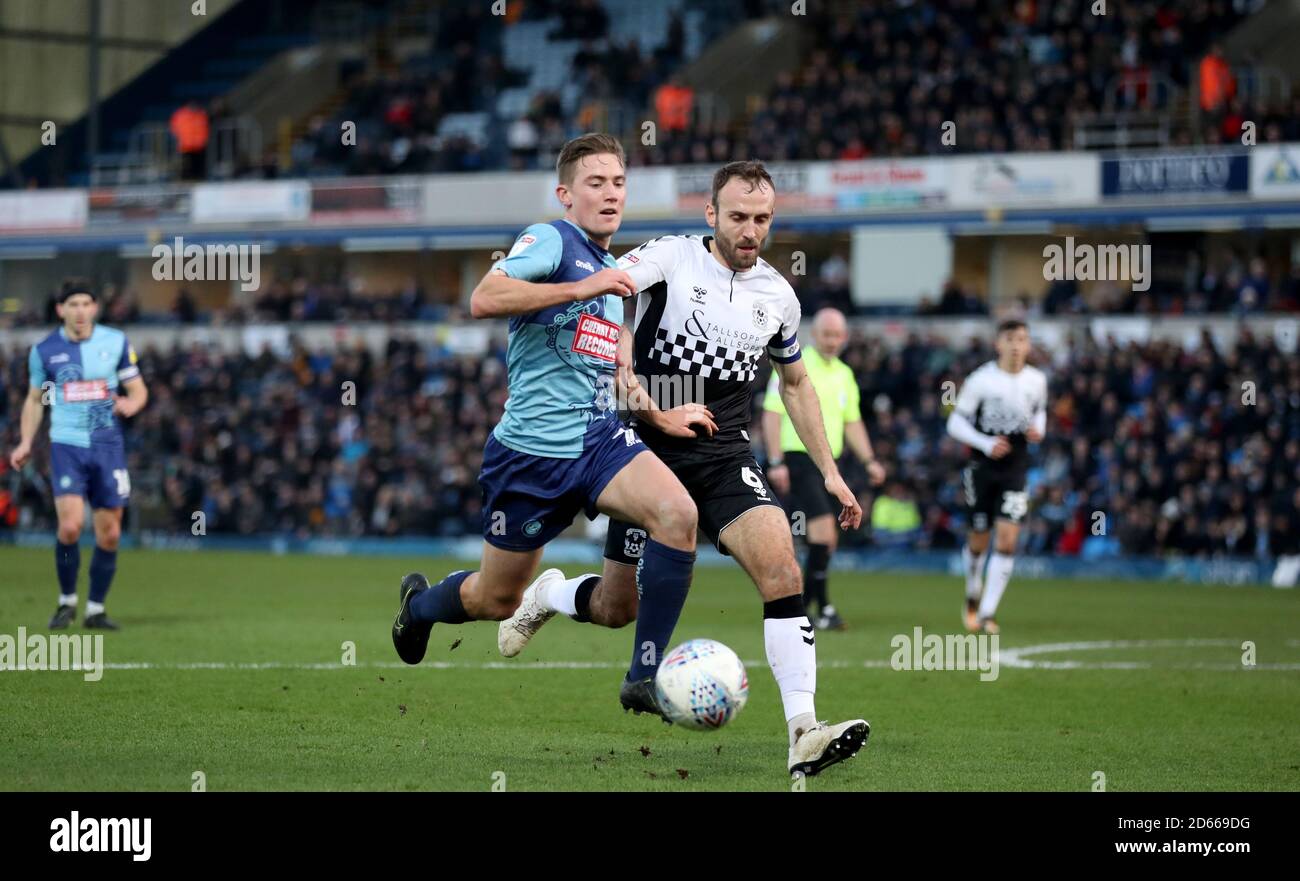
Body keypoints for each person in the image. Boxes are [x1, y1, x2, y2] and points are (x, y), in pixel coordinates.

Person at [498, 161, 871, 778]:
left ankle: (804, 730)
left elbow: (797, 383)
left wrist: (830, 473)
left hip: (724, 453)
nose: (751, 231)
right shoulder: (669, 257)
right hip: (644, 447)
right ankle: (550, 594)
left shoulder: (779, 295)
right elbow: (611, 290)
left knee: (782, 563)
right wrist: (629, 378)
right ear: (712, 215)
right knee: (617, 609)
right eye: (738, 217)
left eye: (762, 219)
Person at [390, 134, 702, 716]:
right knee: (496, 599)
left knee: (678, 515)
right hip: (532, 456)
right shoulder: (552, 240)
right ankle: (420, 607)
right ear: (566, 194)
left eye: (618, 182)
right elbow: (485, 297)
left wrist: (661, 412)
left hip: (600, 442)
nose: (610, 193)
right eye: (595, 182)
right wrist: (582, 286)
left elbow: (617, 372)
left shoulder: (613, 274)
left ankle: (644, 677)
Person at [9, 280, 148, 630]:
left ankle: (96, 609)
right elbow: (34, 399)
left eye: (87, 303)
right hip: (66, 444)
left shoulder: (115, 342)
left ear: (95, 308)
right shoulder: (44, 350)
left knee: (111, 534)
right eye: (73, 304)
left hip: (107, 446)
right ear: (61, 310)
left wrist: (132, 403)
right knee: (70, 526)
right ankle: (67, 601)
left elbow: (137, 388)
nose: (81, 311)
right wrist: (26, 441)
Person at [763, 307, 885, 630]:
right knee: (823, 533)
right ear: (813, 335)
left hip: (832, 465)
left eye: (837, 335)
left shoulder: (845, 374)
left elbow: (853, 421)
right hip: (799, 457)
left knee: (827, 541)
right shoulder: (794, 364)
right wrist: (775, 461)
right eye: (826, 334)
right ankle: (821, 608)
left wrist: (870, 460)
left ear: (844, 338)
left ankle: (804, 609)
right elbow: (772, 414)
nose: (831, 340)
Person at [945, 319, 1048, 634]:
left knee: (1007, 540)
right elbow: (955, 424)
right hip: (981, 468)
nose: (1017, 345)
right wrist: (986, 443)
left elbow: (1040, 410)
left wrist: (1039, 430)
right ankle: (973, 588)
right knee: (979, 539)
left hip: (1016, 468)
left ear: (1028, 346)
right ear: (998, 344)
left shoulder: (1037, 380)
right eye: (1011, 339)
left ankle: (988, 612)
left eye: (1022, 339)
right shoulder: (981, 380)